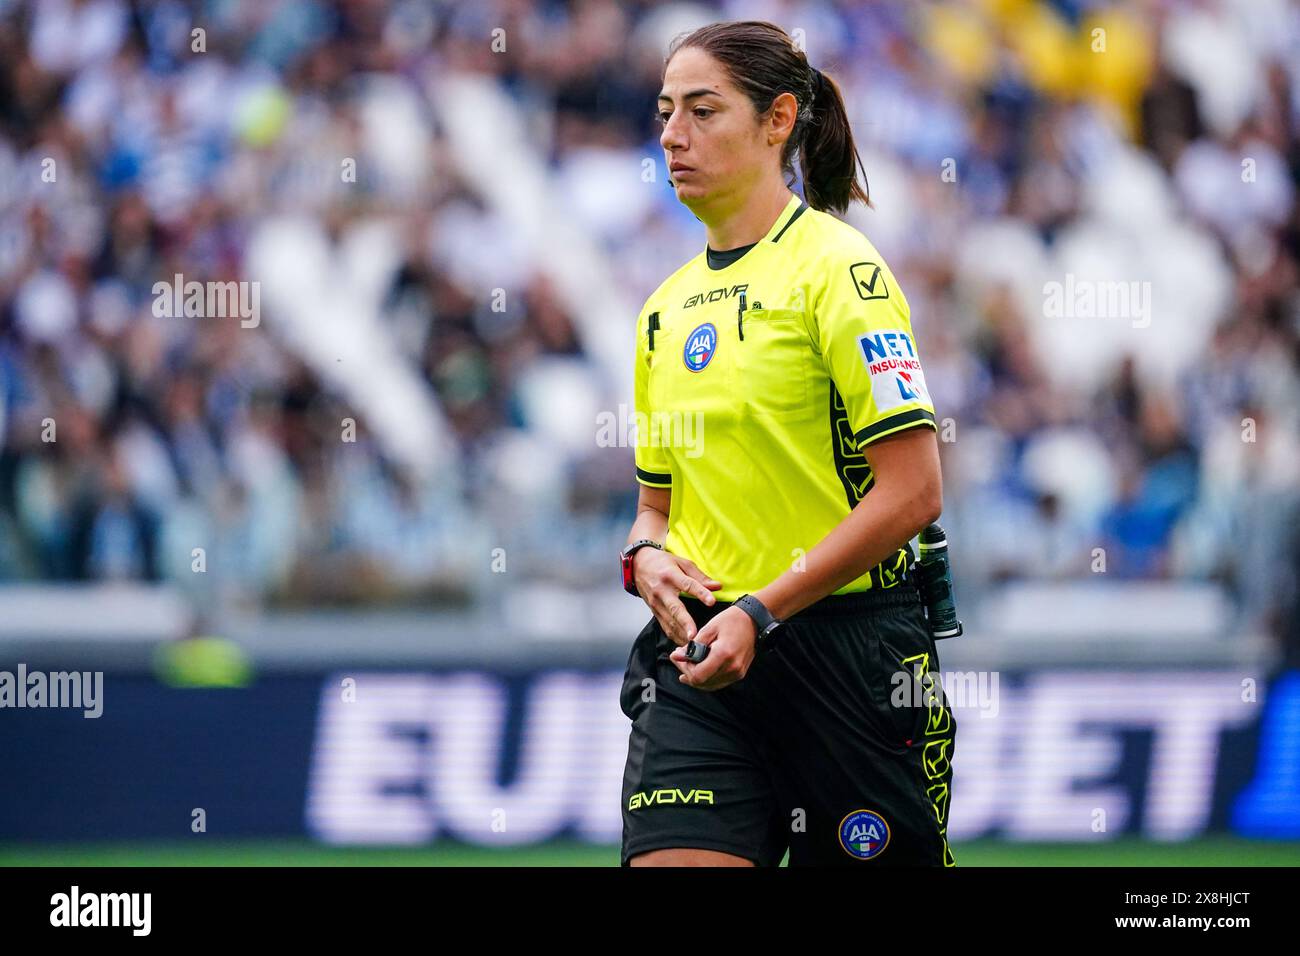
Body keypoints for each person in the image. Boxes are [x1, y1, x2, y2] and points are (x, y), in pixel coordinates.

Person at [618, 20, 956, 867]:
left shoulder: (841, 273)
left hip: (848, 656)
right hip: (703, 659)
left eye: (702, 111)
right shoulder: (662, 312)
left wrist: (763, 612)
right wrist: (644, 563)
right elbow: (653, 511)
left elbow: (915, 493)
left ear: (778, 122)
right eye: (665, 112)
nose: (671, 134)